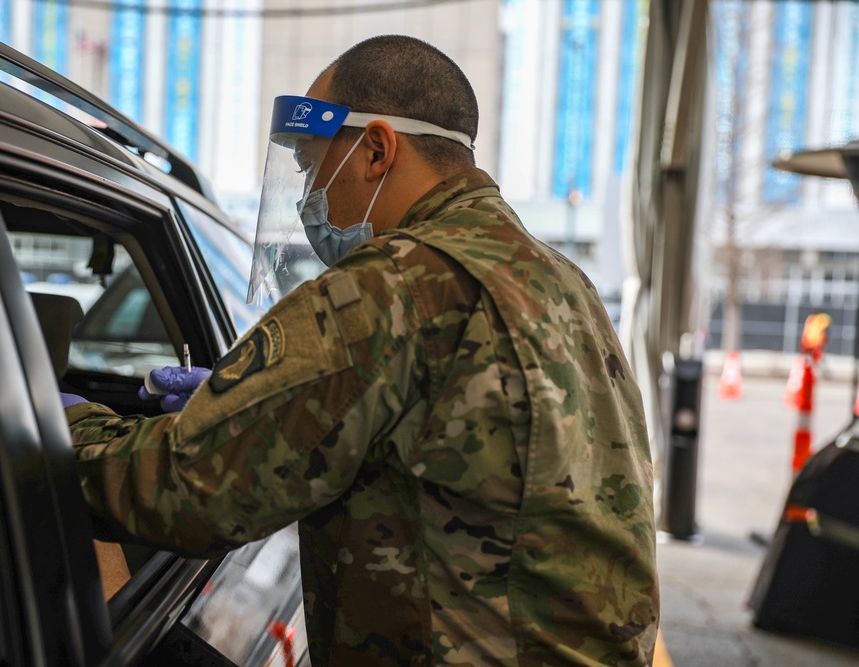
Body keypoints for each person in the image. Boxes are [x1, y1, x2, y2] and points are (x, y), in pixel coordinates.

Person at [67, 35, 658, 665]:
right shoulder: (559, 278)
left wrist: (55, 424)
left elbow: (188, 490)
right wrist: (261, 396)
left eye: (309, 163)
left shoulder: (393, 284)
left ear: (376, 150)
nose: (304, 197)